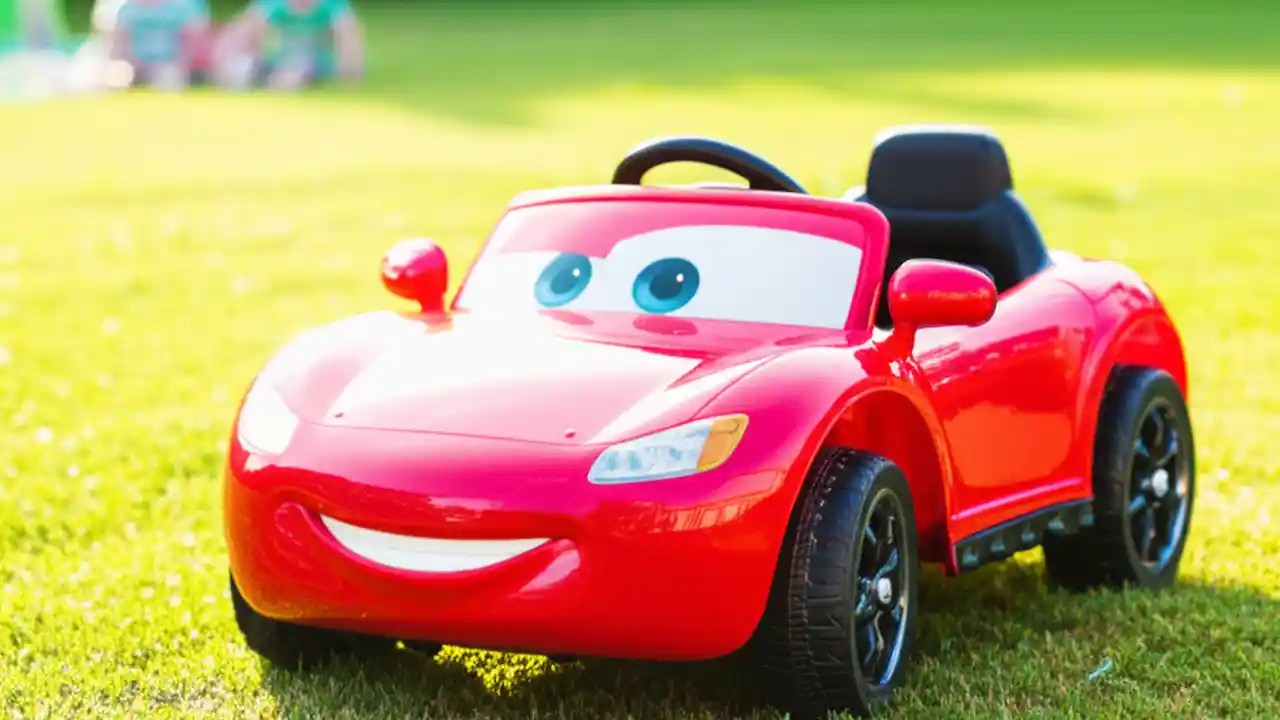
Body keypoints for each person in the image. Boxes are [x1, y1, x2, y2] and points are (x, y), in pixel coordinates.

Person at [214, 0, 364, 91]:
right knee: (238, 69)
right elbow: (241, 31)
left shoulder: (332, 5)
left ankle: (273, 80)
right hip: (275, 61)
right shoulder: (273, 4)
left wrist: (350, 73)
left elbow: (349, 39)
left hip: (313, 63)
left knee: (293, 74)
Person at [111, 0, 210, 90]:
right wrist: (129, 62)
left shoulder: (183, 6)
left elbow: (193, 40)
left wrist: (182, 64)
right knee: (119, 76)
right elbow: (119, 41)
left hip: (170, 64)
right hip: (135, 64)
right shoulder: (128, 8)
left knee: (168, 80)